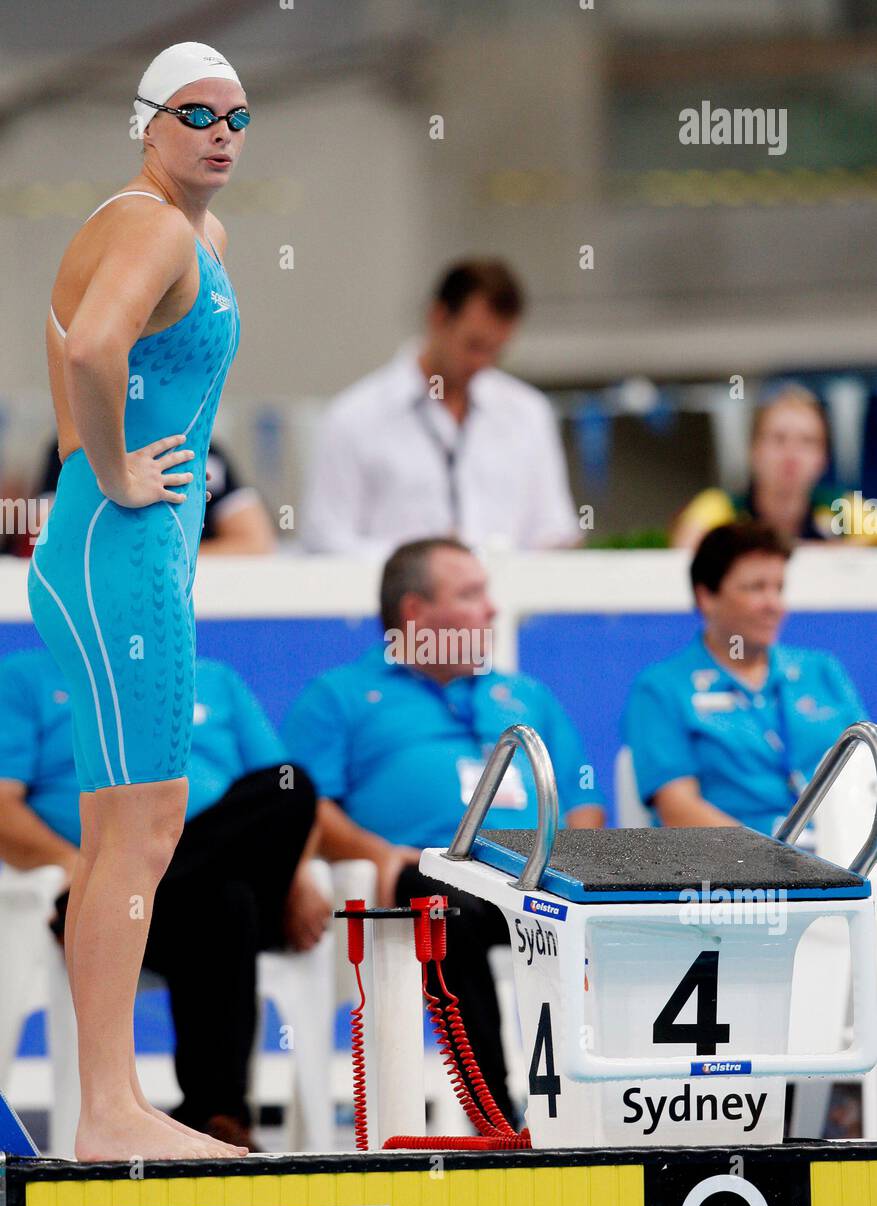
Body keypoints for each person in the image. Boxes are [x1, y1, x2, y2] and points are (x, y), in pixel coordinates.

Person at [26, 41, 251, 1160]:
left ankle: (108, 1099)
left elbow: (63, 335)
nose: (220, 132)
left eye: (239, 117)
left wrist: (86, 472)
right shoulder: (155, 224)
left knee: (118, 828)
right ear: (147, 121)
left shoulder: (179, 229)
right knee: (148, 825)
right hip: (120, 556)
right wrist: (111, 476)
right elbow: (98, 344)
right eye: (197, 112)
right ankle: (111, 1106)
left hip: (109, 554)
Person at [282, 537, 604, 1122]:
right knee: (445, 903)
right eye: (471, 594)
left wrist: (576, 864)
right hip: (426, 875)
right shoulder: (340, 697)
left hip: (538, 879)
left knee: (619, 911)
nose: (492, 609)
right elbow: (306, 809)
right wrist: (379, 853)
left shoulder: (525, 694)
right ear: (415, 613)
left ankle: (604, 1108)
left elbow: (582, 803)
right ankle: (494, 1117)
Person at [0, 649, 326, 1150]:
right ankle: (217, 1112)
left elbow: (278, 782)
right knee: (226, 901)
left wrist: (298, 874)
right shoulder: (26, 678)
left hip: (186, 881)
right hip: (117, 879)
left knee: (290, 789)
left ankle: (211, 1113)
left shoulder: (213, 678)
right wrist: (77, 868)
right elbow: (2, 806)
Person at [301, 261, 581, 558]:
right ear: (438, 317)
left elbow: (554, 528)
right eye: (473, 345)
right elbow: (324, 541)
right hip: (399, 601)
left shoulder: (528, 412)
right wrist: (421, 563)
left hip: (508, 600)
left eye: (496, 351)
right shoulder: (354, 418)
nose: (482, 363)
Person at [623, 522, 867, 834]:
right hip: (735, 875)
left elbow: (868, 776)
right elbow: (678, 809)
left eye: (778, 588)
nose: (774, 605)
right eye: (755, 588)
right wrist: (779, 860)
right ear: (706, 597)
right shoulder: (660, 689)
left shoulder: (822, 670)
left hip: (849, 861)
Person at [7, 436, 276, 559]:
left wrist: (163, 562)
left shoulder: (198, 451)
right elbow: (48, 539)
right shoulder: (72, 453)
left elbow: (256, 541)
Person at [670, 386, 840, 549]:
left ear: (824, 457)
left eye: (807, 441)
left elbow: (868, 539)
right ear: (754, 450)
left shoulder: (843, 509)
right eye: (778, 438)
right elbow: (687, 549)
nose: (792, 454)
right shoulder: (721, 507)